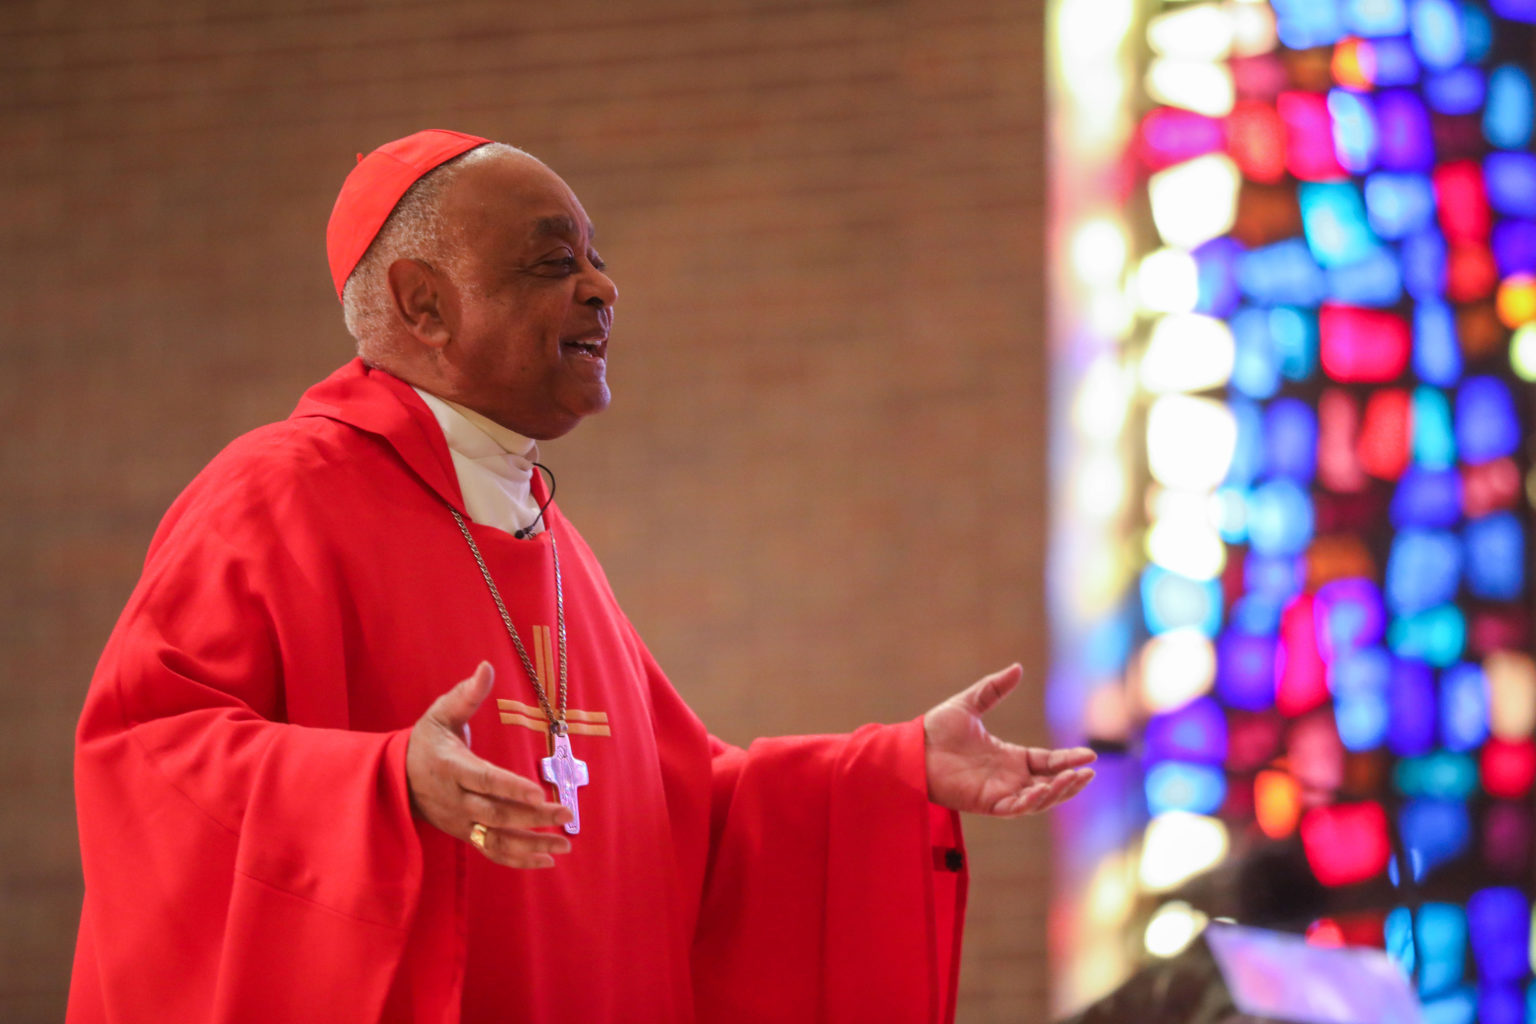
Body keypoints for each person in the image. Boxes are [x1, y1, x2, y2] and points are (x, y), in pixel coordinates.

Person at [68, 129, 1095, 1024]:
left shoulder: (548, 534)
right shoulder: (277, 495)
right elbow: (146, 759)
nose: (603, 289)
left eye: (597, 261)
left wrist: (894, 767)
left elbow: (677, 811)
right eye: (553, 263)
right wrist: (381, 785)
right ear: (421, 303)